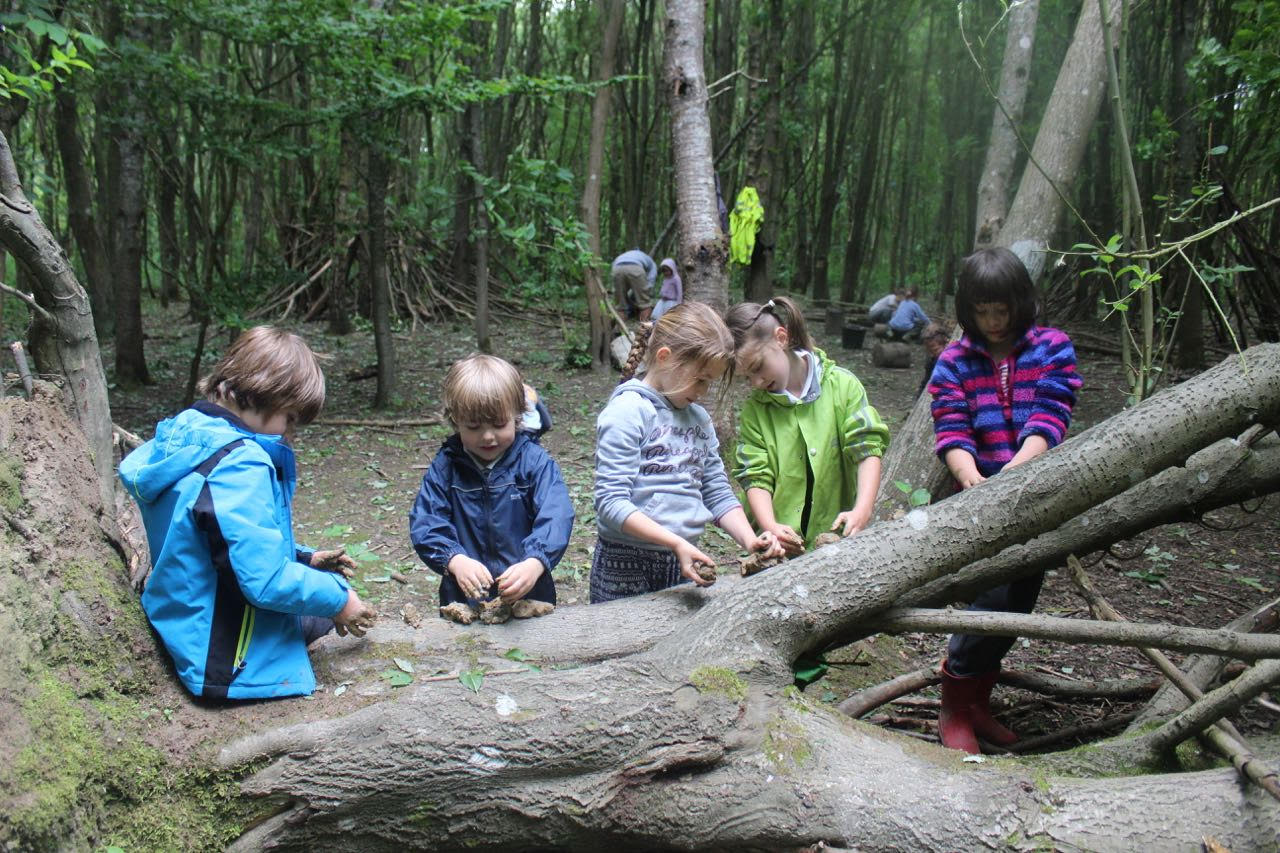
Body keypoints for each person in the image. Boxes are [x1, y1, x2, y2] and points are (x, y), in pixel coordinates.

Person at [118, 326, 375, 701]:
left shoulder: (188, 436)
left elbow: (215, 539)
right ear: (261, 395)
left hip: (183, 618)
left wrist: (303, 557)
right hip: (221, 657)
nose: (290, 433)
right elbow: (265, 581)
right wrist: (340, 600)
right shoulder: (239, 464)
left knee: (317, 605)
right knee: (335, 604)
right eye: (289, 418)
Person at [926, 247, 1083, 754]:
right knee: (987, 602)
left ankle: (978, 705)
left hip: (1036, 500)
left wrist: (1015, 473)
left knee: (1018, 605)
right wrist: (971, 477)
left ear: (1021, 302)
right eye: (982, 312)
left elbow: (1051, 415)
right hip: (977, 504)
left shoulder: (1052, 348)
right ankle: (953, 710)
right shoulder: (953, 361)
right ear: (967, 310)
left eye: (1002, 310)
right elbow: (950, 428)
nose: (993, 322)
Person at [591, 302, 783, 603]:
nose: (704, 391)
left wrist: (750, 540)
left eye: (711, 382)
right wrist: (674, 542)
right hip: (625, 563)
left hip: (683, 560)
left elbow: (717, 493)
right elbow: (611, 502)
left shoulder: (698, 420)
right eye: (701, 379)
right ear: (665, 358)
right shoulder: (629, 411)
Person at [410, 354, 574, 616]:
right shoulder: (446, 467)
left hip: (529, 594)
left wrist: (535, 562)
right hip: (465, 597)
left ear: (517, 416)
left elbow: (556, 515)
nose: (488, 436)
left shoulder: (534, 463)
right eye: (474, 427)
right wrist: (455, 559)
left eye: (499, 424)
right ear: (455, 421)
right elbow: (427, 521)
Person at [726, 296, 890, 556]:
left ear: (781, 338)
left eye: (757, 367)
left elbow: (867, 448)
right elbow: (755, 476)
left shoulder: (844, 387)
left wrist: (863, 509)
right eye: (747, 377)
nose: (756, 382)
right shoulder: (755, 412)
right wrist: (771, 526)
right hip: (779, 548)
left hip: (837, 539)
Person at [611, 249, 658, 322]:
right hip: (635, 268)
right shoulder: (650, 261)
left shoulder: (624, 255)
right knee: (645, 305)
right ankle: (644, 330)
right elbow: (651, 280)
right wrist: (645, 294)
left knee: (620, 306)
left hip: (617, 268)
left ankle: (619, 330)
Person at [918, 322, 951, 396]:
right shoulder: (932, 362)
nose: (932, 354)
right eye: (929, 351)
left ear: (945, 343)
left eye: (935, 350)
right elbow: (926, 381)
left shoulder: (952, 360)